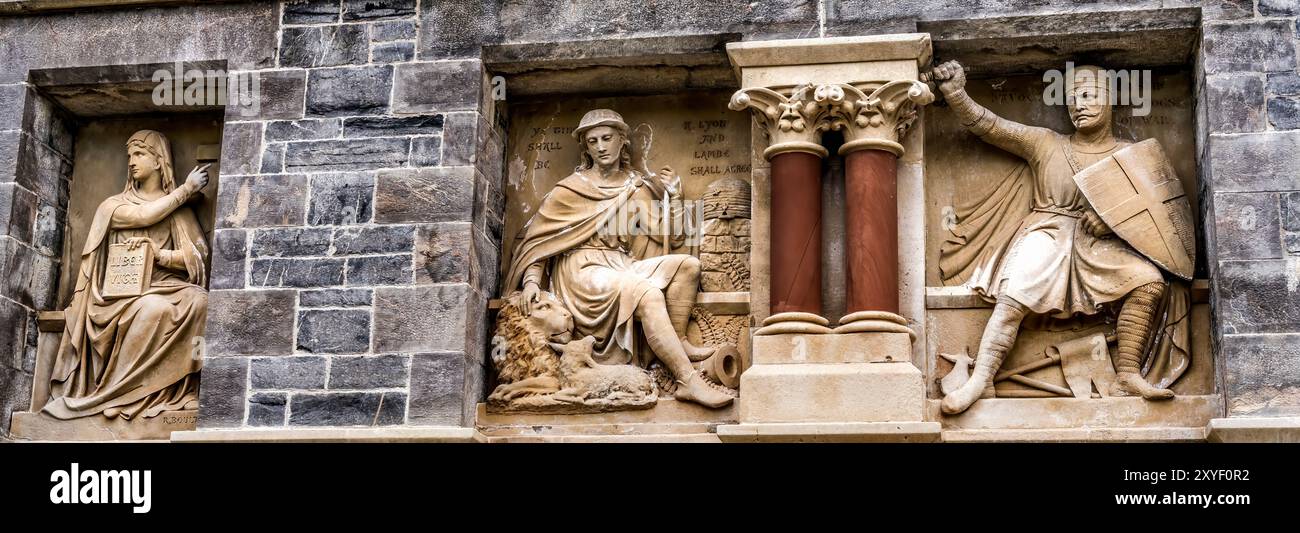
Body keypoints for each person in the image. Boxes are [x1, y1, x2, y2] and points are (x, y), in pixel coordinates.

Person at [931, 62, 1178, 414]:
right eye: (1072, 98)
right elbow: (990, 127)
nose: (1078, 104)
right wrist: (955, 92)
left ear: (1109, 101)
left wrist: (1112, 221)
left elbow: (1162, 211)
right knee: (1013, 295)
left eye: (1089, 95)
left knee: (1149, 282)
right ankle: (981, 379)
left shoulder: (1131, 155)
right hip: (1048, 233)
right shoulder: (1047, 143)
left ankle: (1127, 373)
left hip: (1099, 246)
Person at [504, 109, 732, 408]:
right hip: (582, 270)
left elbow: (673, 237)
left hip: (621, 265)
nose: (601, 146)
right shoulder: (570, 189)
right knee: (646, 292)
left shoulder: (634, 187)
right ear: (585, 148)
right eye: (593, 141)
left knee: (687, 266)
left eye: (607, 138)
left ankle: (679, 341)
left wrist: (675, 197)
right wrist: (532, 281)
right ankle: (687, 380)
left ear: (622, 141)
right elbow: (540, 242)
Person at [43, 130, 211, 420]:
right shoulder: (114, 206)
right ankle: (117, 392)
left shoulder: (179, 214)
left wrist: (159, 256)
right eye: (129, 155)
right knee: (152, 308)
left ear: (159, 161)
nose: (131, 161)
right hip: (119, 296)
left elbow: (197, 258)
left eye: (140, 154)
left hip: (164, 286)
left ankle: (167, 393)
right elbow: (144, 216)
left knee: (201, 301)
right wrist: (186, 190)